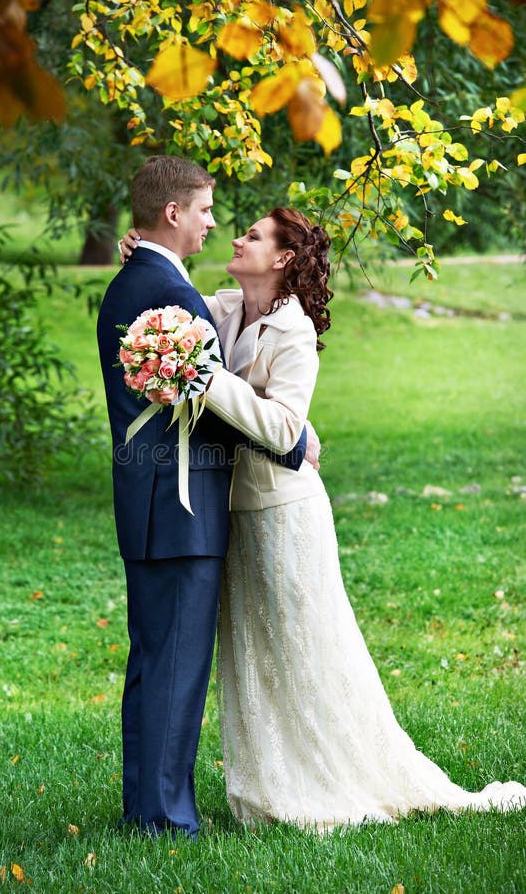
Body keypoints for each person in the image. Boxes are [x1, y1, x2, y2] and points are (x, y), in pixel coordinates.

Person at [120, 206, 526, 831]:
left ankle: (333, 779)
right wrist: (144, 251)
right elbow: (173, 300)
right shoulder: (225, 308)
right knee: (255, 655)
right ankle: (268, 783)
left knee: (307, 651)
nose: (237, 238)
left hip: (284, 514)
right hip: (233, 514)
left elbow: (285, 429)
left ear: (283, 257)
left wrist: (208, 379)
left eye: (253, 235)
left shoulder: (295, 331)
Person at [97, 156, 317, 839]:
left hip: (156, 503)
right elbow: (208, 402)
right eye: (204, 210)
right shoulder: (165, 293)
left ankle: (147, 809)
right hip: (179, 506)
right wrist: (294, 441)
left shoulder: (148, 281)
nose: (214, 223)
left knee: (156, 662)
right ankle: (163, 820)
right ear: (173, 213)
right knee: (173, 667)